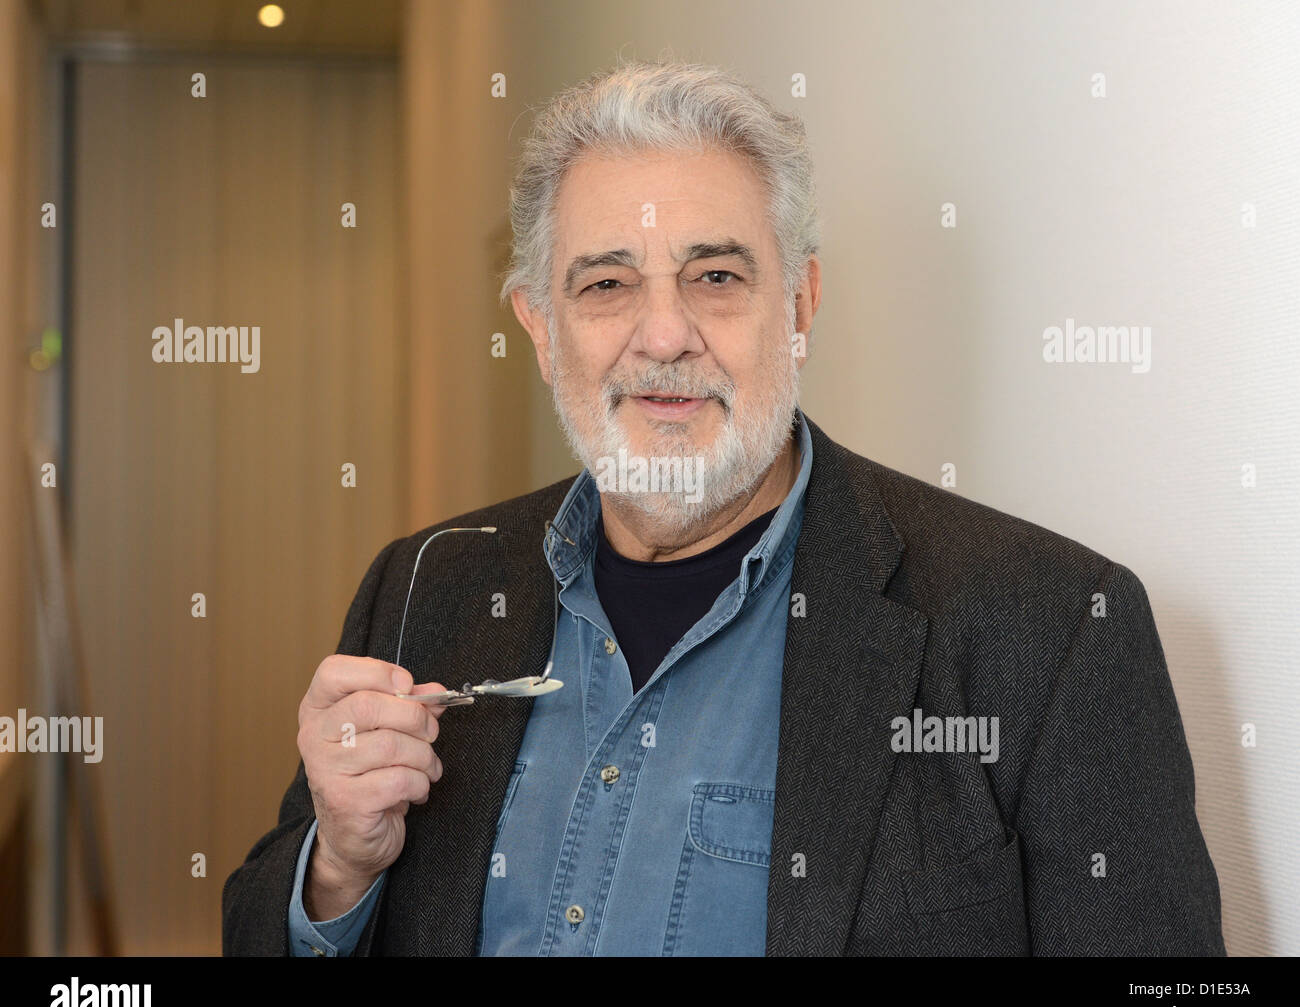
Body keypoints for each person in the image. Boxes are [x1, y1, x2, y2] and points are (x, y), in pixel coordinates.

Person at [222, 59, 1224, 956]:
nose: (663, 336)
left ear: (798, 306)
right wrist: (337, 871)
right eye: (607, 283)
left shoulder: (1047, 630)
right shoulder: (428, 584)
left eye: (714, 276)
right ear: (538, 328)